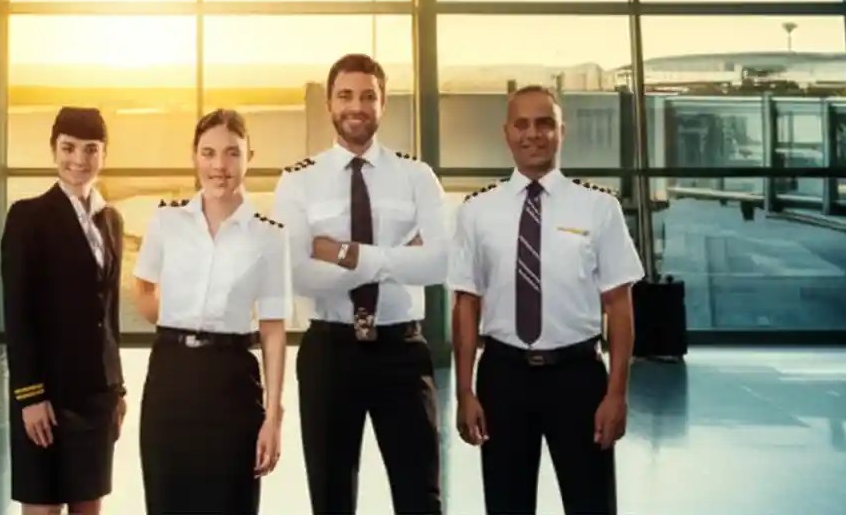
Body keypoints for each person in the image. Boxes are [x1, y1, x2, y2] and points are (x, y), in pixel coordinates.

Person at [448, 85, 642, 515]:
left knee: (591, 504)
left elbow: (619, 305)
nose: (533, 134)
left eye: (545, 124)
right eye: (522, 124)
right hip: (503, 378)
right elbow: (466, 303)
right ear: (506, 133)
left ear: (561, 131)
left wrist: (617, 394)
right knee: (507, 504)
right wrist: (464, 391)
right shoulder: (477, 211)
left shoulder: (599, 207)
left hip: (578, 379)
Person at [272, 53, 449, 514]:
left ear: (383, 103)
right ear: (329, 104)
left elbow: (438, 264)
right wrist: (398, 256)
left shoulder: (416, 176)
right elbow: (299, 274)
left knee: (420, 499)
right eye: (345, 95)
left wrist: (345, 252)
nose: (357, 106)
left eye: (368, 96)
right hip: (329, 353)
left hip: (401, 352)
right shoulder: (298, 181)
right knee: (331, 499)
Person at [132, 108, 290, 515]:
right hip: (170, 378)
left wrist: (273, 416)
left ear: (249, 157)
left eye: (232, 153)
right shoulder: (167, 221)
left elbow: (273, 328)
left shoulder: (269, 235)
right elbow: (142, 288)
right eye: (209, 153)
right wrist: (178, 324)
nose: (220, 165)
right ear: (194, 156)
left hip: (232, 380)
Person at [1, 107, 126, 515]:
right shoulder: (28, 217)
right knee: (43, 506)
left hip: (96, 394)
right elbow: (18, 314)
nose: (79, 159)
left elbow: (109, 313)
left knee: (89, 506)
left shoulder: (111, 220)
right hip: (47, 395)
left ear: (104, 154)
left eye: (91, 149)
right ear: (53, 149)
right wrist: (30, 396)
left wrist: (117, 389)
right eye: (68, 148)